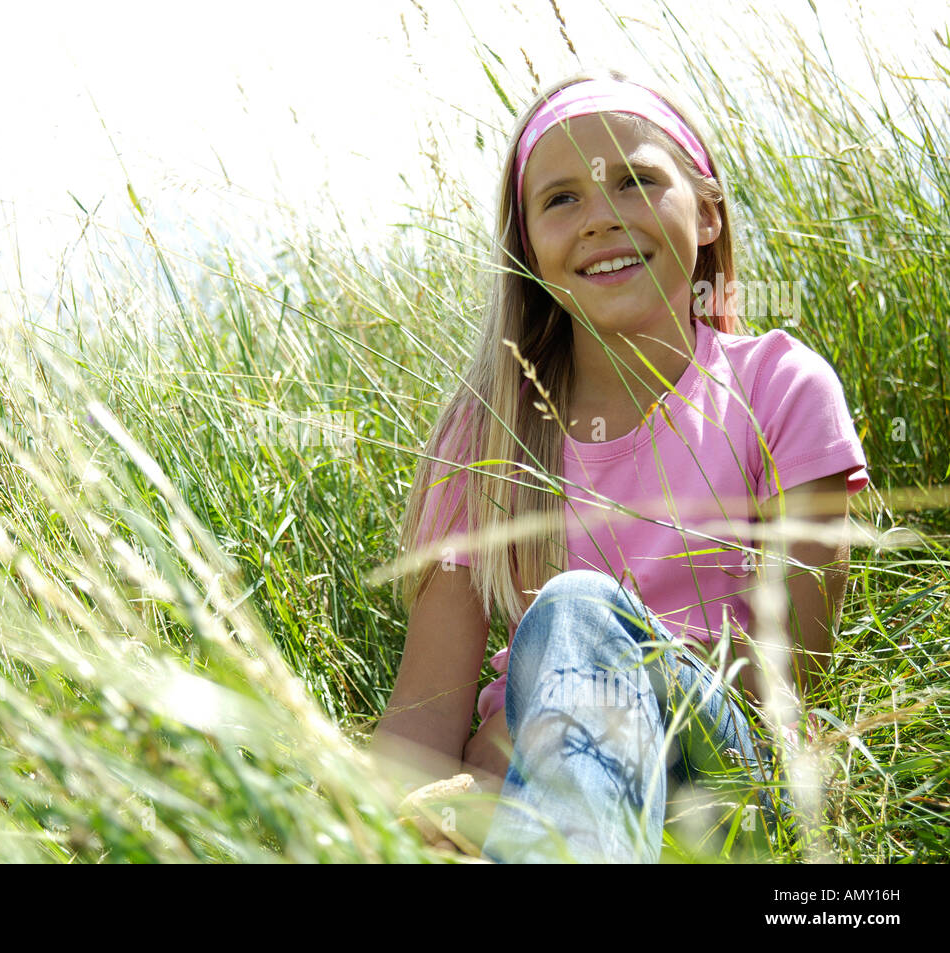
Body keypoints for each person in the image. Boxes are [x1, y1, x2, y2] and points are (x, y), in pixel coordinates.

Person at [368, 70, 869, 863]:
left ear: (707, 214)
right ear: (528, 246)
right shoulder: (488, 432)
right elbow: (423, 714)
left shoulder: (780, 387)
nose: (600, 217)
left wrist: (584, 678)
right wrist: (397, 818)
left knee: (574, 610)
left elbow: (789, 673)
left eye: (636, 181)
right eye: (560, 199)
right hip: (523, 789)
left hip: (722, 785)